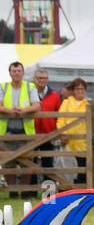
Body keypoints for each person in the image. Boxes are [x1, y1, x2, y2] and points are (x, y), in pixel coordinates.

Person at [2, 61, 41, 190]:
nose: (17, 73)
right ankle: (12, 191)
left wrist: (23, 111)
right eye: (14, 71)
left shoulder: (30, 87)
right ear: (10, 73)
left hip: (26, 132)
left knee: (28, 163)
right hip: (7, 132)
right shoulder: (3, 87)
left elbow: (37, 105)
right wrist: (10, 111)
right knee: (8, 164)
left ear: (23, 73)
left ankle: (24, 190)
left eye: (19, 71)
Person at [57, 77, 90, 184]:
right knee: (66, 170)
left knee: (82, 170)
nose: (80, 91)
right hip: (68, 143)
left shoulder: (88, 103)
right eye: (77, 89)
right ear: (73, 90)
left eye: (82, 88)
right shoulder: (66, 102)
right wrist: (63, 134)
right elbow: (61, 120)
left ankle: (82, 192)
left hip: (83, 143)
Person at [30, 69, 61, 170]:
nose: (41, 80)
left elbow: (58, 115)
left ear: (47, 80)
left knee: (48, 164)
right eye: (39, 78)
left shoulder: (55, 95)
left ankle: (49, 185)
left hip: (49, 134)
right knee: (31, 163)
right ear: (34, 79)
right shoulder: (29, 93)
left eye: (44, 78)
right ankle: (32, 185)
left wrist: (56, 133)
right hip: (32, 133)